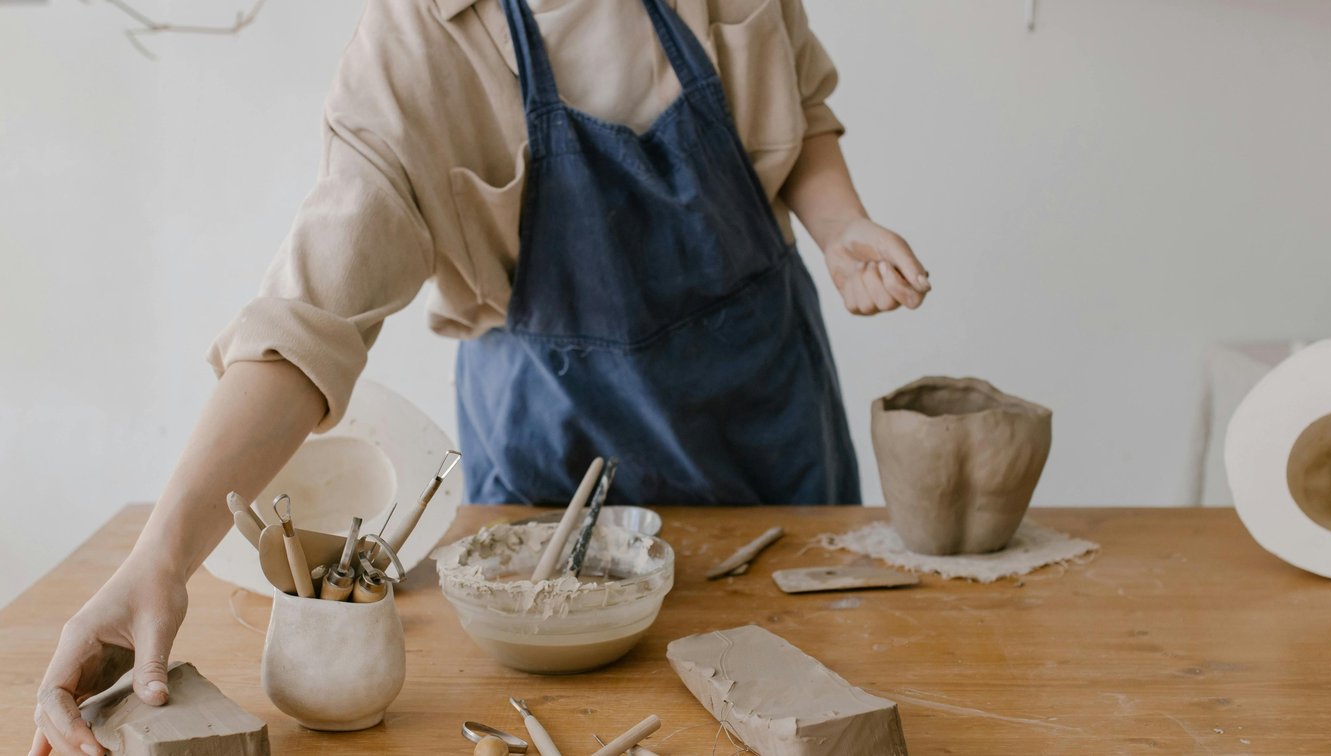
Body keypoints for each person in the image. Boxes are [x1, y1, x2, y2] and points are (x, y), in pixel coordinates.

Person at [31, 0, 929, 752]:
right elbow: (308, 322)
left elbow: (796, 105)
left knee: (819, 684)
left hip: (761, 418)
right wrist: (159, 560)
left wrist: (842, 225)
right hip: (551, 447)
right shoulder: (412, 46)